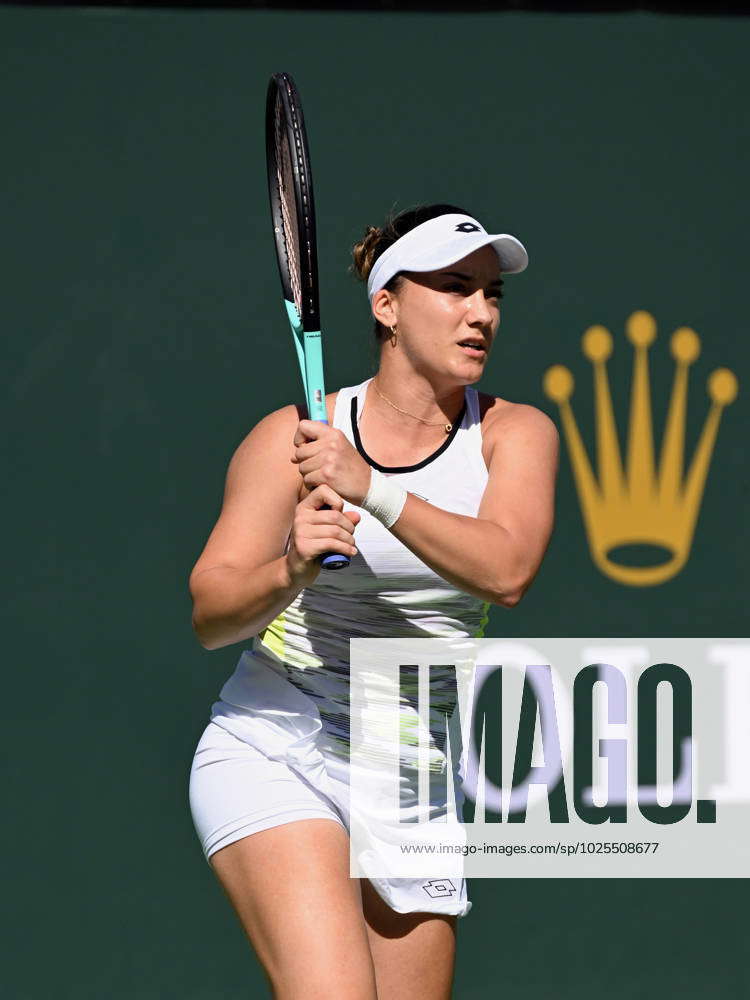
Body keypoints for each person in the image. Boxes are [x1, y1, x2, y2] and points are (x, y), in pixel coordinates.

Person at [188, 203, 558, 999]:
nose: (481, 313)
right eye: (455, 287)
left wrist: (374, 491)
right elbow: (211, 611)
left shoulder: (515, 435)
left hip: (411, 775)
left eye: (492, 294)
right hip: (278, 743)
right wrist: (290, 566)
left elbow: (509, 570)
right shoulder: (294, 437)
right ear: (386, 305)